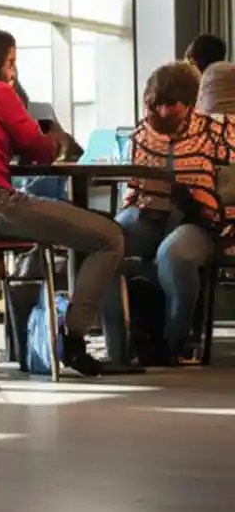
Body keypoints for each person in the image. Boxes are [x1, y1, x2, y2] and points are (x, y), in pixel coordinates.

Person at [0, 26, 124, 377]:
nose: (13, 71)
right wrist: (53, 137)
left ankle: (63, 337)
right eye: (10, 61)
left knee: (81, 227)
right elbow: (39, 149)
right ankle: (74, 340)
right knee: (108, 236)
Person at [101, 62, 233, 364]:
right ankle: (117, 348)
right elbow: (132, 186)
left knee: (175, 255)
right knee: (104, 241)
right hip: (147, 213)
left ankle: (175, 343)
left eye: (170, 104)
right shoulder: (140, 133)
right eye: (154, 103)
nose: (161, 111)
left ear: (188, 104)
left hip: (196, 219)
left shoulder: (214, 130)